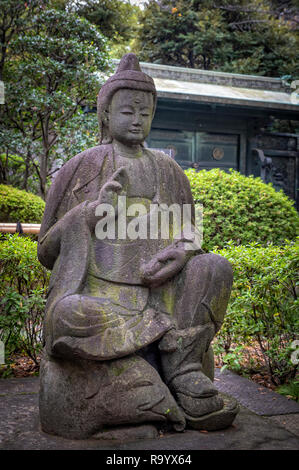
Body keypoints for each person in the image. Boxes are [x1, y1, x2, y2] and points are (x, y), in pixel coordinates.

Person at [38, 54, 238, 439]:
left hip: (162, 296)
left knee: (214, 267)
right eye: (127, 111)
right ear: (106, 113)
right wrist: (88, 213)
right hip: (103, 300)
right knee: (67, 314)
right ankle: (142, 375)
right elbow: (47, 251)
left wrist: (181, 254)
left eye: (145, 113)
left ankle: (183, 368)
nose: (136, 120)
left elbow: (190, 236)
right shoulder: (79, 168)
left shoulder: (169, 170)